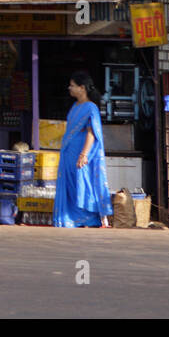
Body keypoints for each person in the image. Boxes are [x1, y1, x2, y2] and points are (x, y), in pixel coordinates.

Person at [53, 71, 113, 228]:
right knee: (70, 185)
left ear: (82, 88)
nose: (69, 88)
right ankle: (70, 218)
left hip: (81, 153)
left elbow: (91, 132)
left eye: (72, 86)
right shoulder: (75, 106)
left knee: (83, 184)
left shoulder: (90, 108)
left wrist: (84, 154)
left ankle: (89, 218)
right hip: (69, 152)